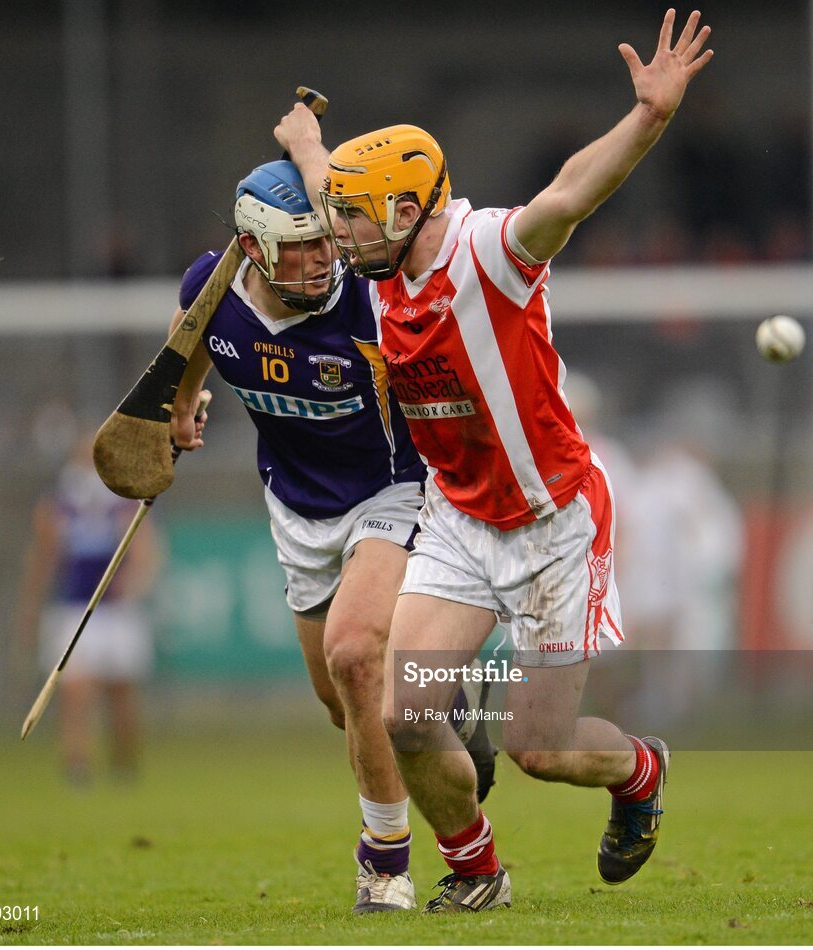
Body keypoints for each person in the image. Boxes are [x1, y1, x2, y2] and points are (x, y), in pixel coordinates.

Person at [277, 7, 713, 912]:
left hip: (553, 520)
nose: (338, 239)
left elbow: (568, 193)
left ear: (406, 212)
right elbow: (336, 188)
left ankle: (638, 771)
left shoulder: (491, 253)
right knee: (405, 712)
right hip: (461, 522)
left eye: (351, 222)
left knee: (539, 750)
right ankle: (477, 870)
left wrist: (650, 117)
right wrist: (308, 141)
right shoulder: (383, 258)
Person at [168, 158, 496, 913]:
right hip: (296, 508)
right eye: (300, 248)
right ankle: (444, 715)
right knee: (342, 701)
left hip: (393, 490)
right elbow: (188, 344)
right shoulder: (210, 290)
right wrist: (182, 409)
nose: (322, 261)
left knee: (356, 656)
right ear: (253, 248)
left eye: (326, 242)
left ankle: (385, 864)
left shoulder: (369, 296)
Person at [15, 434, 161, 784]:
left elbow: (144, 549)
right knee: (75, 689)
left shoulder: (124, 499)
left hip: (117, 611)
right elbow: (43, 558)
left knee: (121, 691)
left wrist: (133, 581)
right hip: (75, 610)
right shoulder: (58, 505)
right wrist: (30, 607)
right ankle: (77, 764)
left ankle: (124, 765)